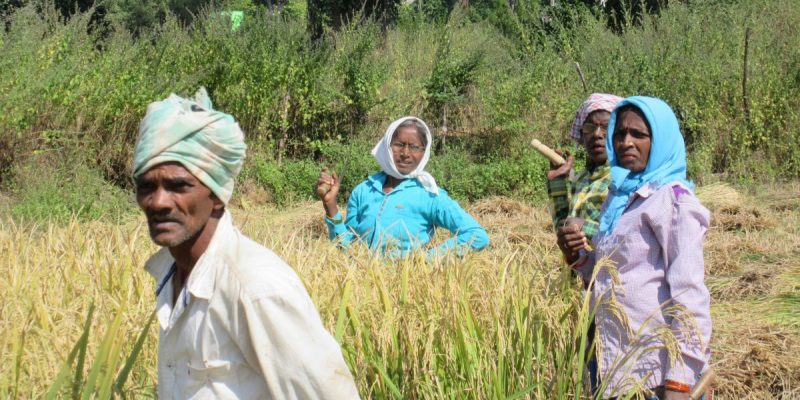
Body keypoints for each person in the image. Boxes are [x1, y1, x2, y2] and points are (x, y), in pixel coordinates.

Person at [133, 88, 360, 399]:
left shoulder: (255, 287)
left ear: (215, 194)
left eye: (178, 186)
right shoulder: (172, 273)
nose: (158, 202)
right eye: (146, 186)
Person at [566, 96, 712, 399]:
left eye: (638, 135)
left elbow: (690, 296)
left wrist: (680, 381)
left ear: (659, 140)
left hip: (657, 374)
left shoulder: (674, 202)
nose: (626, 143)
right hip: (618, 366)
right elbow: (610, 275)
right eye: (619, 135)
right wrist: (578, 256)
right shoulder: (621, 198)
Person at [316, 116, 489, 258]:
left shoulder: (430, 195)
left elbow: (477, 235)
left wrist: (425, 260)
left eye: (414, 147)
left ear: (424, 152)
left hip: (404, 291)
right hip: (359, 288)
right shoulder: (363, 190)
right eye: (398, 144)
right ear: (386, 146)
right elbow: (345, 248)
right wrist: (331, 206)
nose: (405, 153)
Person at [547, 93, 622, 261]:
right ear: (582, 134)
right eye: (589, 128)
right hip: (576, 281)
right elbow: (564, 227)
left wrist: (583, 227)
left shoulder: (626, 181)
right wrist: (557, 182)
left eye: (606, 127)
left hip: (610, 281)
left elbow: (628, 240)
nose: (597, 134)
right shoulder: (582, 180)